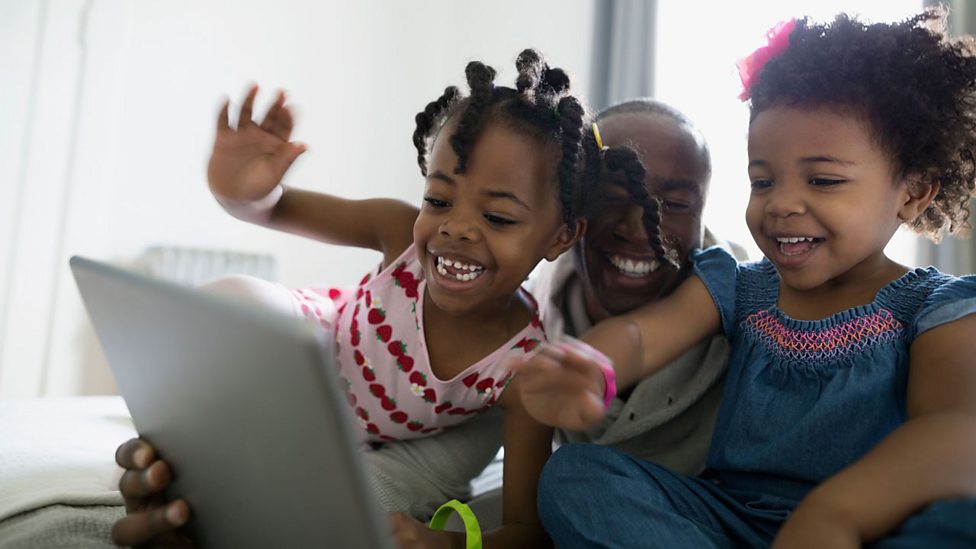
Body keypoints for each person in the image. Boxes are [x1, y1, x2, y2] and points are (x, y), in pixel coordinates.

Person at [514, 9, 976, 548]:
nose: (781, 204)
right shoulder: (739, 287)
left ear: (913, 192)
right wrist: (593, 364)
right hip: (725, 521)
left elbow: (958, 432)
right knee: (574, 475)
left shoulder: (934, 310)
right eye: (763, 180)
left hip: (864, 526)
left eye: (823, 180)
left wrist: (834, 513)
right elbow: (643, 337)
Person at [110, 49, 597, 548]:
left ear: (560, 237)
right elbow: (274, 209)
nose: (456, 227)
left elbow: (527, 531)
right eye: (438, 200)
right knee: (234, 298)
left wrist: (444, 543)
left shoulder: (522, 370)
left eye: (497, 217)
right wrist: (241, 192)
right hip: (314, 354)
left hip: (351, 439)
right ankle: (177, 430)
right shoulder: (398, 232)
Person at [531, 98, 748, 474]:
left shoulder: (751, 304)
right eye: (612, 198)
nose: (638, 229)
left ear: (703, 214)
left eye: (676, 204)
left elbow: (639, 338)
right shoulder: (535, 305)